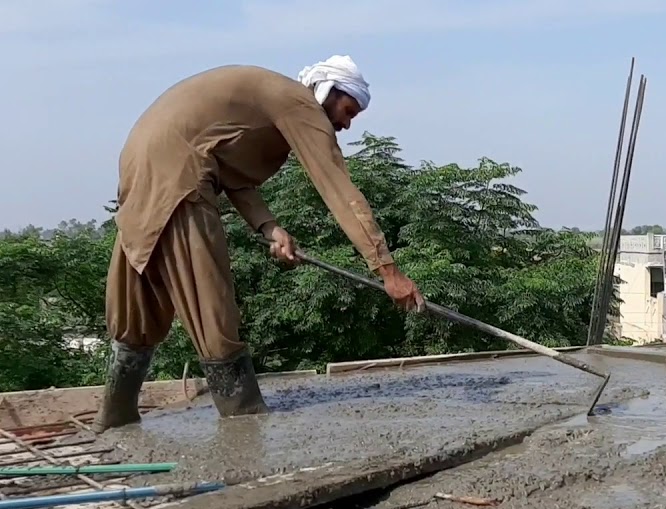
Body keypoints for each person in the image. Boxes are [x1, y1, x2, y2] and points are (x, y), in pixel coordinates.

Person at [93, 56, 425, 433]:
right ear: (326, 91)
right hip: (179, 175)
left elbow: (229, 172)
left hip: (141, 164)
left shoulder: (269, 99)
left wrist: (270, 228)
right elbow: (341, 192)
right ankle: (244, 423)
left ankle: (115, 419)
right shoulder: (301, 104)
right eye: (347, 110)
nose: (346, 124)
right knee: (212, 308)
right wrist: (388, 271)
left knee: (139, 307)